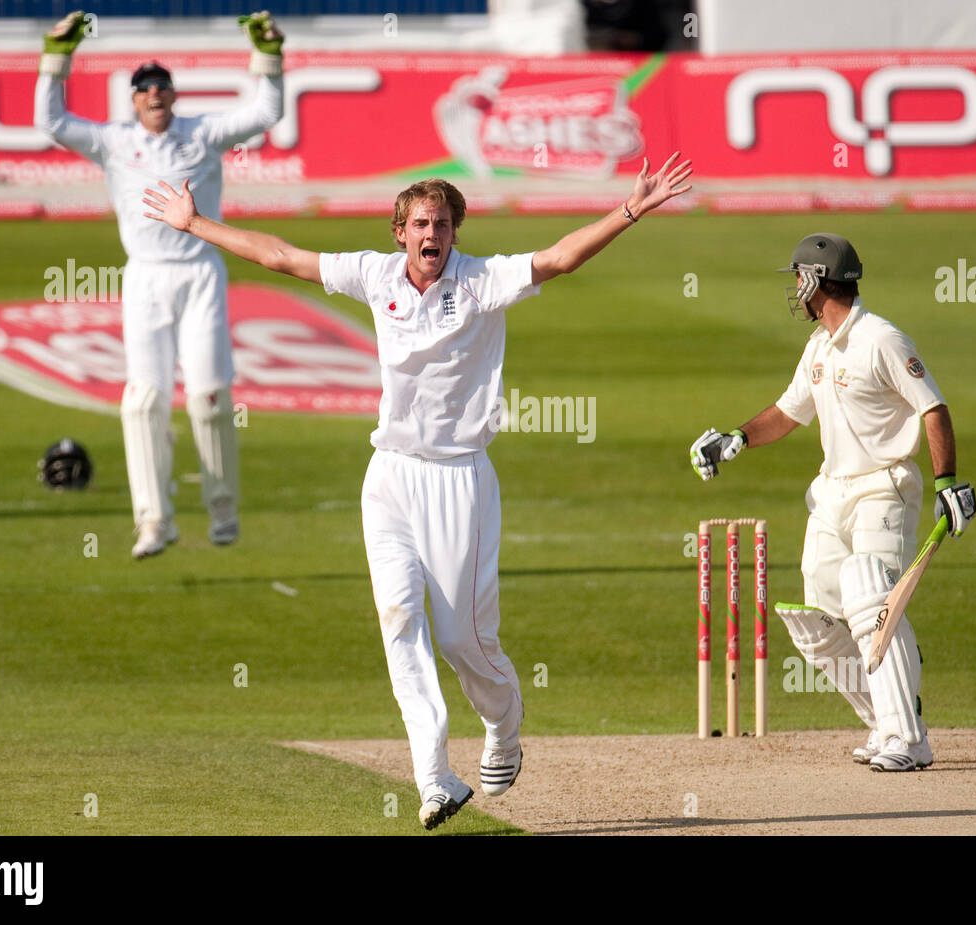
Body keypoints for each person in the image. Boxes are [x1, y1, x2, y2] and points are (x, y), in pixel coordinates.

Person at [142, 157, 693, 826]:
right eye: (421, 223)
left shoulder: (482, 281)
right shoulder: (376, 274)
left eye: (443, 223)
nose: (433, 233)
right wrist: (195, 222)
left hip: (461, 477)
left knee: (463, 637)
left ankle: (503, 723)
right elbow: (283, 256)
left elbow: (557, 259)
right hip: (391, 475)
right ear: (400, 231)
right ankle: (434, 776)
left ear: (456, 230)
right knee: (400, 620)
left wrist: (629, 210)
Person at [690, 233, 976, 771]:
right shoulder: (819, 347)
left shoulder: (881, 339)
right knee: (815, 624)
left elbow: (932, 408)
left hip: (883, 487)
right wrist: (738, 438)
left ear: (818, 281)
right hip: (832, 493)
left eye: (799, 277)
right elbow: (788, 412)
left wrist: (948, 482)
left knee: (871, 600)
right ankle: (885, 722)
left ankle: (908, 739)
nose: (795, 289)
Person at [34, 10, 286, 559]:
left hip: (200, 273)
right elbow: (50, 123)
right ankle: (154, 520)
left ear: (173, 96)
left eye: (162, 87)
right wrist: (59, 54)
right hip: (146, 275)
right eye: (144, 89)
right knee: (143, 401)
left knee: (209, 399)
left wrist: (266, 51)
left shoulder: (203, 133)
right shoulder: (113, 140)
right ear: (133, 100)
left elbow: (268, 109)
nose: (154, 94)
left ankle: (222, 507)